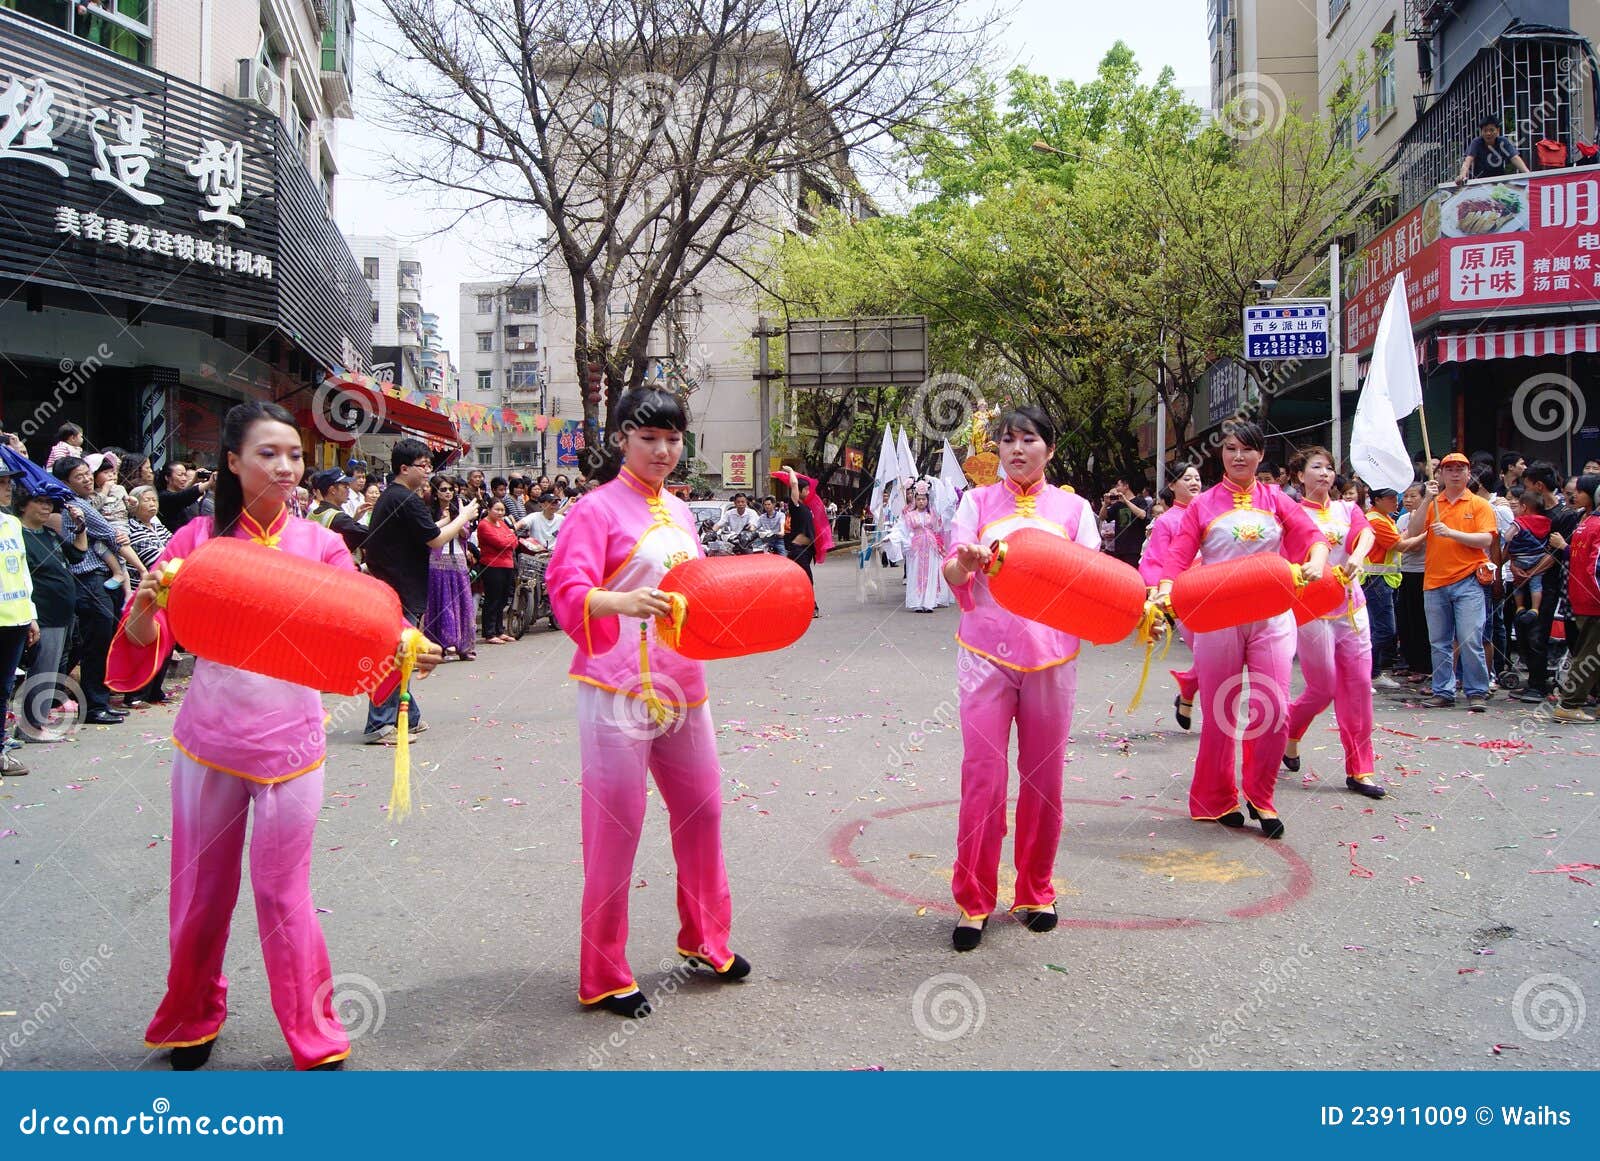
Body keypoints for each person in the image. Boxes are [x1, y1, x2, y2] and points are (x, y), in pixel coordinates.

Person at [107, 401, 441, 1071]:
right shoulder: (195, 543)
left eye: (294, 454)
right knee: (200, 891)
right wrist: (145, 609)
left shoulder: (320, 546)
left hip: (292, 747)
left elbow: (361, 625)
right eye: (269, 453)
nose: (287, 466)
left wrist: (405, 647)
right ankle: (193, 1014)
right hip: (209, 744)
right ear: (232, 460)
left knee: (282, 893)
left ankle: (312, 1030)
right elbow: (143, 644)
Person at [545, 386, 749, 1018]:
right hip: (617, 689)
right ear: (622, 441)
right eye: (648, 438)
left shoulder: (682, 514)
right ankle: (605, 970)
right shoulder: (595, 510)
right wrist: (617, 602)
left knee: (703, 812)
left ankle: (705, 937)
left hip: (684, 684)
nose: (662, 451)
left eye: (672, 439)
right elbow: (565, 587)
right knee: (616, 827)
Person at [939, 407, 1100, 950]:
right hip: (985, 656)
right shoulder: (976, 503)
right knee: (983, 775)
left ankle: (1035, 888)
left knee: (1043, 777)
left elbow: (1091, 580)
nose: (1017, 449)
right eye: (1007, 441)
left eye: (1029, 439)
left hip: (1052, 658)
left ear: (1049, 449)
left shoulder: (1074, 510)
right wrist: (965, 560)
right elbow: (953, 572)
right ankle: (973, 899)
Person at [1153, 420, 1327, 841]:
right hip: (1218, 618)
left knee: (1275, 707)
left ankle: (1260, 795)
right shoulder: (1204, 504)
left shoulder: (1278, 501)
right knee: (1220, 712)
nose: (1238, 456)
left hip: (1271, 617)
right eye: (1230, 449)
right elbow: (1177, 559)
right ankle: (1215, 798)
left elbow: (1312, 536)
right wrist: (1162, 596)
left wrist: (1318, 560)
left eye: (1247, 449)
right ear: (1222, 454)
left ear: (1260, 455)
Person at [1281, 447, 1384, 798]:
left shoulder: (1347, 508)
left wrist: (1356, 556)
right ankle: (1290, 731)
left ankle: (1361, 769)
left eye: (1328, 468)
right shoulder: (1291, 515)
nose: (1325, 473)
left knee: (1357, 690)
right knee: (1322, 688)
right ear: (1299, 476)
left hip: (1352, 610)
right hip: (1312, 612)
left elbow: (1367, 534)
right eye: (1316, 468)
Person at [362, 440, 477, 744]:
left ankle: (407, 717)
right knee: (395, 655)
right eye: (423, 465)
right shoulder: (405, 499)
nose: (428, 471)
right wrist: (463, 519)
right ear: (404, 468)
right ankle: (380, 724)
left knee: (402, 653)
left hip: (394, 584)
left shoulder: (396, 497)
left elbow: (426, 530)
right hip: (398, 587)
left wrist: (448, 520)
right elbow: (436, 540)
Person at [1413, 452, 1495, 710]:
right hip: (1434, 581)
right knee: (1439, 642)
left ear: (1468, 473)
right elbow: (1413, 531)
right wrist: (1427, 499)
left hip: (1468, 579)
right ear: (1441, 474)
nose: (1455, 472)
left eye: (1460, 468)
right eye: (1449, 469)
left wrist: (1451, 533)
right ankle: (1443, 691)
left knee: (1470, 638)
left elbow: (1486, 540)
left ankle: (1477, 691)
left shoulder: (1479, 505)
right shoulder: (1433, 502)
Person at [51, 457, 129, 725]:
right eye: (79, 476)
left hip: (99, 576)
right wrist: (118, 538)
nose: (86, 479)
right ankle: (94, 705)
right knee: (96, 640)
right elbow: (109, 533)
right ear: (64, 482)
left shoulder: (82, 502)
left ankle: (98, 700)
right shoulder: (73, 504)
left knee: (98, 639)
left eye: (87, 474)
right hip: (87, 578)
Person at [1139, 463, 1202, 728]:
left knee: (1221, 656)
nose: (1194, 482)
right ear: (1173, 485)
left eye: (1197, 478)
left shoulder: (1214, 515)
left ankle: (1188, 688)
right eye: (1187, 478)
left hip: (1219, 592)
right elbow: (1155, 560)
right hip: (1187, 599)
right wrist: (1158, 595)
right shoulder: (1166, 521)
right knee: (1209, 654)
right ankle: (1216, 725)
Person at [15, 482, 79, 744]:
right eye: (39, 501)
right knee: (42, 670)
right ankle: (30, 727)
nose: (46, 507)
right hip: (44, 613)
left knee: (52, 670)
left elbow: (77, 554)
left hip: (63, 614)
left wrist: (81, 527)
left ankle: (36, 722)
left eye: (49, 503)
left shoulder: (48, 534)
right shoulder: (17, 534)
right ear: (23, 505)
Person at [1511, 461, 1580, 703]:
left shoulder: (1563, 516)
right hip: (1521, 578)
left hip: (1547, 583)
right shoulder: (1529, 513)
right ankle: (1533, 679)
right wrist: (1514, 564)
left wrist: (1532, 573)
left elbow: (1555, 554)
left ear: (1539, 486)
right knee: (1521, 628)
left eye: (1527, 485)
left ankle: (1539, 684)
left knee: (1538, 632)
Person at [0, 465, 39, 776]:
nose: (8, 488)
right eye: (1, 483)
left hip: (16, 618)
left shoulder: (12, 524)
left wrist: (32, 615)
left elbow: (22, 573)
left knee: (4, 687)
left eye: (8, 482)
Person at [1553, 474, 1600, 722]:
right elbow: (1596, 567)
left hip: (1581, 597)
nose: (1575, 495)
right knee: (1589, 654)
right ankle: (1569, 704)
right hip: (1594, 600)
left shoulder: (1585, 524)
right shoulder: (1595, 524)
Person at [423, 475, 478, 661]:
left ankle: (464, 645)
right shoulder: (429, 512)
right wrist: (448, 521)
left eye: (450, 489)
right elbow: (431, 533)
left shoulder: (458, 510)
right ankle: (445, 645)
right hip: (438, 560)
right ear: (436, 493)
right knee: (443, 603)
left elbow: (465, 533)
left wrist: (459, 520)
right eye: (443, 489)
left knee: (462, 602)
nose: (448, 493)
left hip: (459, 559)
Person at [1362, 487, 1404, 689]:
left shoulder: (1385, 518)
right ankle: (1365, 673)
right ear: (1376, 500)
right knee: (1384, 630)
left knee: (1378, 629)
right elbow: (1402, 545)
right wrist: (1427, 533)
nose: (1395, 502)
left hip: (1382, 578)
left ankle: (1373, 672)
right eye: (1390, 498)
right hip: (1376, 579)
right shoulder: (1377, 520)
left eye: (1396, 498)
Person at [899, 482, 951, 612]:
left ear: (928, 500)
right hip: (916, 546)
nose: (921, 502)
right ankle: (916, 602)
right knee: (916, 573)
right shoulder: (909, 515)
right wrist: (905, 543)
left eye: (923, 499)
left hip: (931, 546)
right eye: (918, 499)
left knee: (931, 573)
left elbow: (939, 528)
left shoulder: (932, 515)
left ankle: (929, 603)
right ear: (915, 500)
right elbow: (903, 530)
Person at [475, 498, 518, 644]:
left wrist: (510, 538)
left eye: (502, 510)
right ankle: (489, 632)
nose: (500, 513)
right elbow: (501, 543)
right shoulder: (484, 525)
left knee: (503, 599)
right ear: (489, 509)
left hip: (507, 565)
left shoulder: (503, 523)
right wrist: (510, 538)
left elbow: (514, 541)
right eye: (497, 510)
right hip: (492, 565)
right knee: (492, 599)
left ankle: (499, 630)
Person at [780, 469, 819, 617]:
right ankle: (811, 606)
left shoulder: (806, 507)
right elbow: (794, 484)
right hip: (798, 550)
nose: (808, 492)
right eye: (806, 489)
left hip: (807, 550)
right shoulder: (795, 505)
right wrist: (791, 472)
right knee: (806, 579)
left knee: (801, 579)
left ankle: (800, 606)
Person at [307, 469, 369, 555]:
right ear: (332, 490)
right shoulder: (338, 518)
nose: (348, 490)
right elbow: (369, 535)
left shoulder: (312, 513)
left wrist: (354, 519)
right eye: (345, 487)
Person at [1457, 116, 1531, 184]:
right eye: (1485, 130)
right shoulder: (1476, 142)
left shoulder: (1503, 141)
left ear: (1498, 130)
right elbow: (1468, 160)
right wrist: (1462, 175)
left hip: (1500, 181)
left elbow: (1514, 158)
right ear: (1481, 131)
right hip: (1480, 183)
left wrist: (1529, 174)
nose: (1488, 133)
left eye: (1491, 130)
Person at [1098, 478, 1150, 568]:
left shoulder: (1139, 500)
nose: (1116, 488)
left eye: (1118, 485)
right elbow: (1102, 517)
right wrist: (1106, 504)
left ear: (1126, 486)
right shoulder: (1117, 505)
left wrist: (1126, 501)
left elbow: (1143, 515)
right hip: (1119, 548)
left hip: (1135, 549)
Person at [158, 461, 212, 534]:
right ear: (167, 477)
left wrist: (194, 480)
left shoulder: (180, 494)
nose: (184, 479)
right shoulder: (163, 496)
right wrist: (210, 483)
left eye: (185, 475)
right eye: (180, 475)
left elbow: (183, 493)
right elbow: (181, 497)